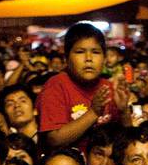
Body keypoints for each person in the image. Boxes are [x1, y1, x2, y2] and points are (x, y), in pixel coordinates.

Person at [38, 22, 131, 150]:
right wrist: (93, 112)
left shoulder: (110, 88)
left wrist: (124, 111)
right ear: (66, 58)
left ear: (104, 58)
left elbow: (128, 143)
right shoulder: (56, 85)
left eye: (95, 52)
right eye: (80, 52)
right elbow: (55, 139)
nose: (88, 58)